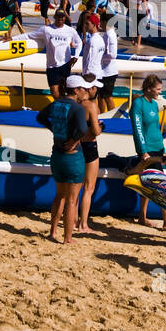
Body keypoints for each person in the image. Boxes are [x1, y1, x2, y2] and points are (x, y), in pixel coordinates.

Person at [36, 75, 91, 244]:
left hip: (57, 155)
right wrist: (74, 140)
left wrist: (54, 129)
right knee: (72, 200)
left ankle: (52, 231)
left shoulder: (57, 103)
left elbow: (40, 117)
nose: (86, 91)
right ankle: (67, 238)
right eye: (84, 88)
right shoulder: (78, 108)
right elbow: (83, 129)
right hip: (72, 157)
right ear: (76, 90)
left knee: (59, 195)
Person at [128, 74, 166, 233]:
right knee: (161, 184)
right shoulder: (138, 104)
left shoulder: (153, 104)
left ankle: (142, 216)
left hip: (158, 147)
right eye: (158, 89)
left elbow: (154, 127)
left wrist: (162, 143)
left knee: (147, 182)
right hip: (148, 150)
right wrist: (143, 152)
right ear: (148, 89)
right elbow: (137, 129)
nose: (159, 92)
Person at [16, 8, 82, 98]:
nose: (60, 19)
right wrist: (12, 39)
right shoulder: (46, 30)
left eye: (62, 17)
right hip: (51, 66)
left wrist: (76, 56)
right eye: (58, 16)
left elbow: (79, 43)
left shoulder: (70, 30)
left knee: (63, 90)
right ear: (55, 17)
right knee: (54, 92)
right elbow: (29, 35)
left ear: (65, 18)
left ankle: (63, 108)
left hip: (65, 65)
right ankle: (60, 105)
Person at [75, 75, 105, 236]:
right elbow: (94, 131)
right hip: (90, 146)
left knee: (76, 187)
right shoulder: (90, 106)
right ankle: (83, 224)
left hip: (77, 146)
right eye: (96, 88)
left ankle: (72, 220)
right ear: (90, 89)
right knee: (89, 188)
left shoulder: (74, 104)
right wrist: (102, 127)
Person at [97, 12, 120, 111]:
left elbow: (113, 55)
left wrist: (100, 57)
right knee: (101, 96)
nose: (99, 24)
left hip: (109, 72)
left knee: (108, 96)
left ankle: (113, 120)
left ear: (105, 22)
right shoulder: (107, 34)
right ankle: (102, 116)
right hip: (104, 71)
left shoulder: (111, 35)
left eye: (100, 21)